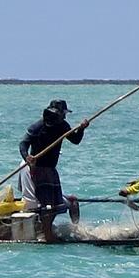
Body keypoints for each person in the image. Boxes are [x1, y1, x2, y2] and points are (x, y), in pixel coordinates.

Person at [19, 99, 88, 241]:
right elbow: (23, 144)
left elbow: (75, 140)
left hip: (50, 169)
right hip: (37, 169)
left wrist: (81, 129)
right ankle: (47, 235)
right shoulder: (37, 127)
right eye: (64, 114)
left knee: (64, 203)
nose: (65, 117)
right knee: (48, 206)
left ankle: (75, 230)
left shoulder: (62, 126)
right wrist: (27, 157)